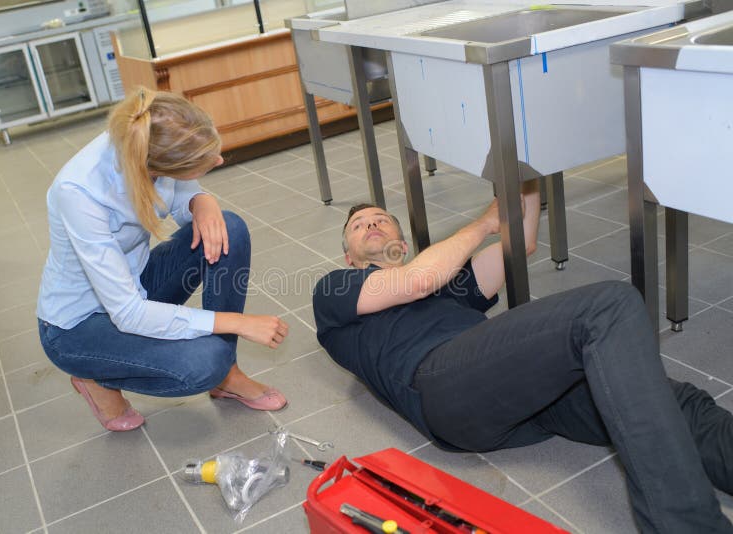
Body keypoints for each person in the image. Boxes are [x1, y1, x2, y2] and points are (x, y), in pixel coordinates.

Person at [312, 182, 733, 533]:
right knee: (607, 309)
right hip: (442, 387)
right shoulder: (335, 290)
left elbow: (522, 240)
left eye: (380, 219)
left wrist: (524, 168)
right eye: (358, 225)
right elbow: (420, 280)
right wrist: (482, 223)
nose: (370, 223)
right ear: (349, 257)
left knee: (682, 405)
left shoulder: (448, 286)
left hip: (515, 395)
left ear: (401, 245)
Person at [37, 88, 290, 432]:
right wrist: (235, 322)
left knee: (229, 227)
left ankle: (227, 377)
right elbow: (128, 313)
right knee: (205, 363)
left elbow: (182, 195)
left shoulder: (147, 139)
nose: (219, 161)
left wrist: (202, 201)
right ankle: (97, 375)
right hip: (79, 326)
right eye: (206, 160)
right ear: (157, 165)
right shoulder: (79, 191)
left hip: (134, 286)